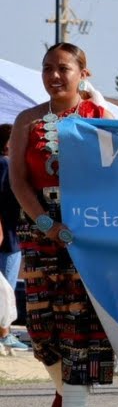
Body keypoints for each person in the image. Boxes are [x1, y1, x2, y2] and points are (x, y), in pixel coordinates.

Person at [7, 43, 116, 407]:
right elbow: (18, 180)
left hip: (87, 232)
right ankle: (61, 385)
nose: (54, 75)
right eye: (47, 68)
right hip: (38, 230)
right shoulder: (27, 121)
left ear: (82, 72)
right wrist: (44, 223)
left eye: (64, 68)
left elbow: (116, 175)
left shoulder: (99, 117)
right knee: (38, 325)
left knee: (79, 319)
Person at [0, 123, 31, 353]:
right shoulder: (6, 165)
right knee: (7, 288)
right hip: (9, 236)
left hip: (8, 234)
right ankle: (5, 334)